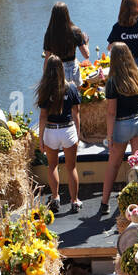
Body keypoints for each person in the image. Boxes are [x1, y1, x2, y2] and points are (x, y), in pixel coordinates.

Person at [99, 42, 138, 217]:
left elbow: (111, 112)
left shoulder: (112, 81)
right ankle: (137, 204)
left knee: (113, 165)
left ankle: (104, 203)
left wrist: (109, 136)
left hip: (123, 124)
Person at [37, 55, 81, 214]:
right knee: (71, 168)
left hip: (51, 131)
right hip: (68, 130)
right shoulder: (72, 88)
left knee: (52, 166)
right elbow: (76, 113)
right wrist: (78, 133)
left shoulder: (44, 90)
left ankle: (55, 198)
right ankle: (74, 201)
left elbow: (42, 116)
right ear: (62, 69)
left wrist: (41, 139)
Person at [42, 1, 89, 86]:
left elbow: (46, 60)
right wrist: (86, 42)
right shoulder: (75, 31)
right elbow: (86, 55)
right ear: (67, 14)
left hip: (58, 72)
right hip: (74, 71)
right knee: (76, 93)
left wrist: (45, 79)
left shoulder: (49, 34)